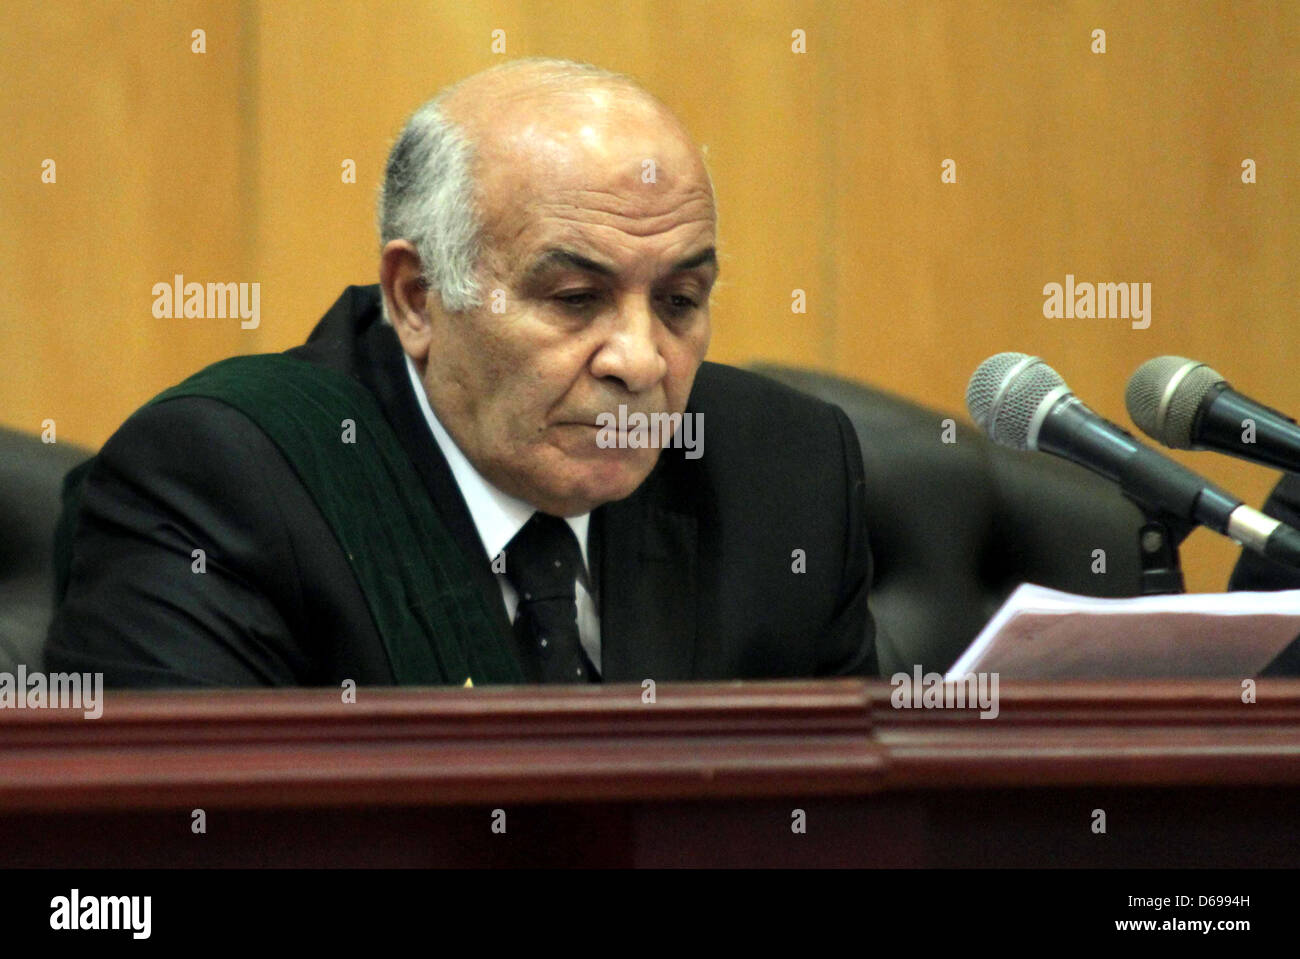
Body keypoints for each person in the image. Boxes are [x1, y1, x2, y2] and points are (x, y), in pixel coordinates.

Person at [45, 58, 878, 687]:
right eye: (577, 297)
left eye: (680, 299)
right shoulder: (219, 483)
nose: (641, 360)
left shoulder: (787, 475)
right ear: (417, 297)